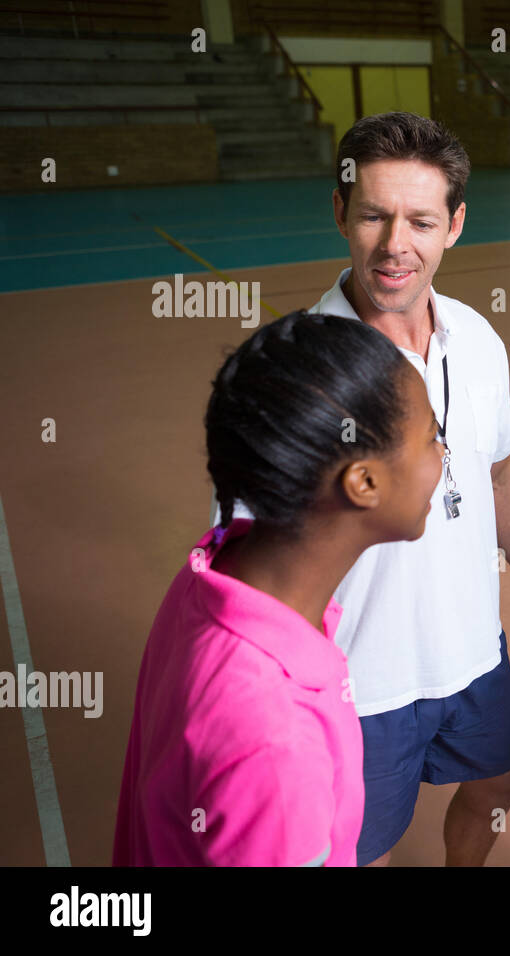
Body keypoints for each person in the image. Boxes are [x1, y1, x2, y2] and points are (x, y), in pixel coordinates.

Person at [317, 111, 510, 867]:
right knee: (356, 852)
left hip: (472, 653)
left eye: (421, 221)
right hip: (363, 683)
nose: (396, 244)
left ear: (455, 225)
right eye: (374, 214)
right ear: (340, 211)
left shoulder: (477, 337)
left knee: (503, 783)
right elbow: (251, 561)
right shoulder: (304, 372)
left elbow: (498, 469)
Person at [115, 311, 443, 866]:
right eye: (432, 438)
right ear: (363, 482)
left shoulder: (214, 572)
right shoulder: (276, 741)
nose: (443, 456)